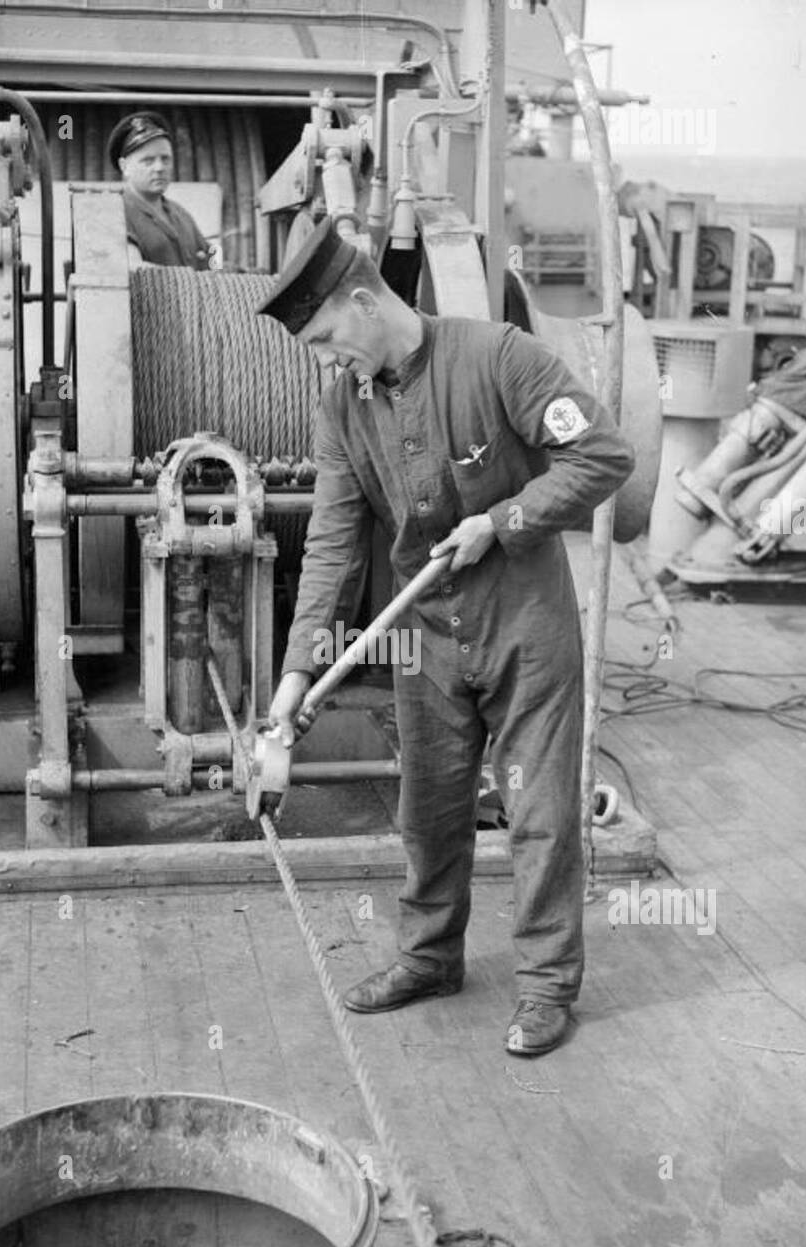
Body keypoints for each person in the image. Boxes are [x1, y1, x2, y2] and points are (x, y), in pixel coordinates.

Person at [257, 216, 635, 1058]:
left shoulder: (500, 356)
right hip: (424, 637)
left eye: (325, 339)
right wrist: (292, 682)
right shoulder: (341, 407)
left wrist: (504, 520)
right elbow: (331, 544)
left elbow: (604, 454)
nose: (325, 358)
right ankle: (429, 958)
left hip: (525, 628)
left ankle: (545, 987)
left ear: (363, 300)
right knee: (428, 811)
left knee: (539, 813)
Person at [106, 111, 215, 271]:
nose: (159, 168)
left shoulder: (180, 213)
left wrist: (221, 272)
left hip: (193, 294)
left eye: (165, 159)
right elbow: (133, 269)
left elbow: (211, 252)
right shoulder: (115, 213)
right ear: (125, 167)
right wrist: (190, 278)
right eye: (148, 161)